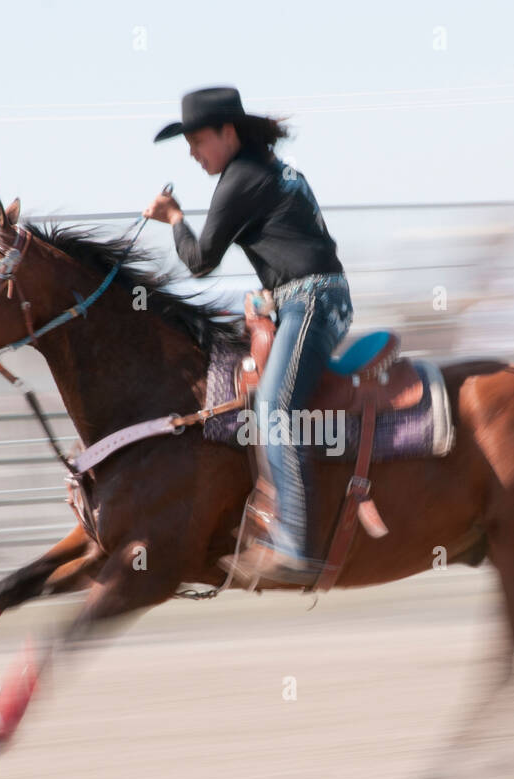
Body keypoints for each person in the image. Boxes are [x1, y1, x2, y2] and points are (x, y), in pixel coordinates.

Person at [144, 86, 353, 586]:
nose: (193, 153)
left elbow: (200, 263)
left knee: (274, 410)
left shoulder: (241, 179)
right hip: (309, 298)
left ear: (227, 132)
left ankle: (295, 546)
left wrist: (173, 219)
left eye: (197, 140)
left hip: (313, 303)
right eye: (188, 144)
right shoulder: (268, 168)